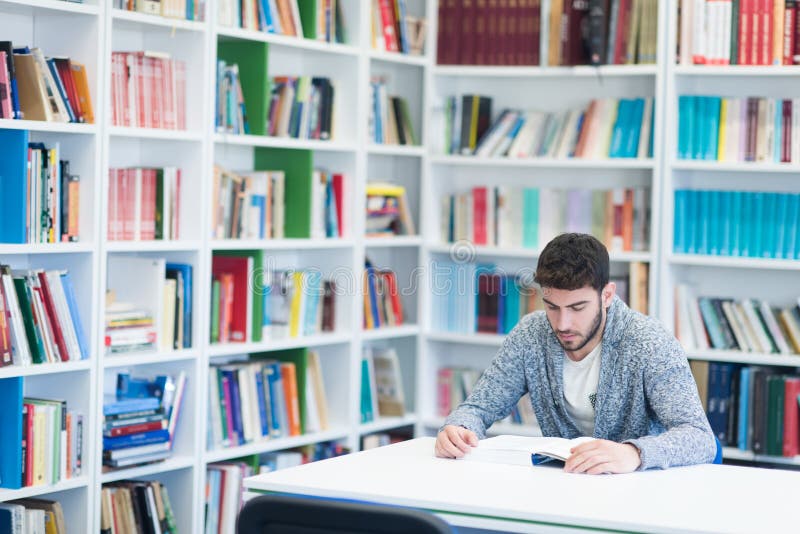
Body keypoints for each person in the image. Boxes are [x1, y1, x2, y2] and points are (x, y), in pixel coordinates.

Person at [435, 233, 716, 474]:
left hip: (637, 488)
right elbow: (477, 409)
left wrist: (634, 453)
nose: (562, 324)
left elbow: (699, 438)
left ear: (607, 295)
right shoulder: (530, 334)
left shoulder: (650, 343)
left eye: (577, 308)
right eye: (552, 306)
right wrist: (458, 428)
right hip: (562, 485)